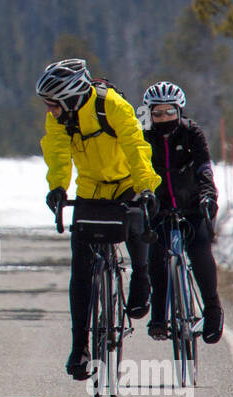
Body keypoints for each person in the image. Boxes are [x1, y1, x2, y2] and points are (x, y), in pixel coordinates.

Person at [37, 58, 161, 380]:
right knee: (81, 268)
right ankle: (80, 347)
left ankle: (142, 278)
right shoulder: (60, 120)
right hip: (91, 189)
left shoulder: (112, 106)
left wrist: (146, 187)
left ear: (70, 96)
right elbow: (57, 152)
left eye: (53, 104)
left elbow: (136, 145)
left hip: (126, 182)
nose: (50, 111)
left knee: (135, 227)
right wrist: (58, 187)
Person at [140, 81, 224, 344]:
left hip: (191, 207)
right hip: (158, 209)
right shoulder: (143, 137)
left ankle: (212, 308)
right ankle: (158, 316)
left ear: (179, 110)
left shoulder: (192, 134)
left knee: (200, 254)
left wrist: (208, 195)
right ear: (149, 114)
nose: (164, 118)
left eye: (169, 112)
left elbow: (203, 169)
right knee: (156, 258)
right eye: (157, 113)